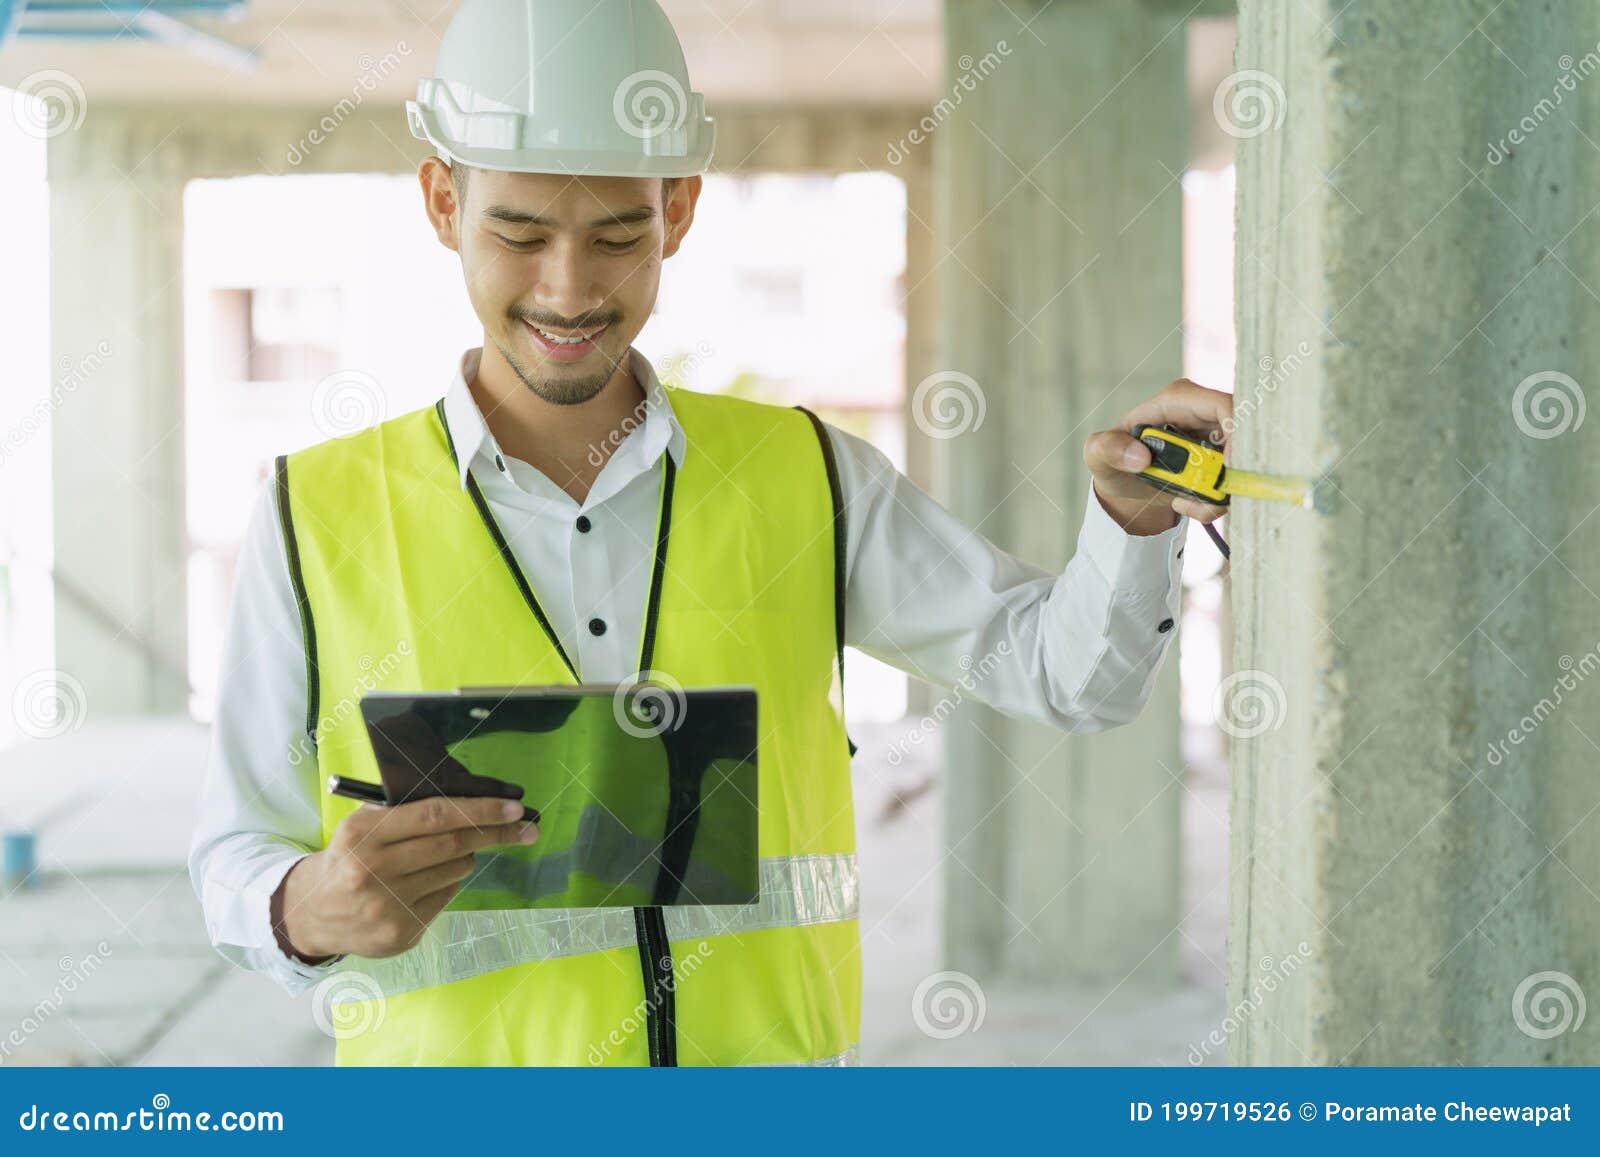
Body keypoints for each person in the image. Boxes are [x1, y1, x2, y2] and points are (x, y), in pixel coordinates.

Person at [187, 0, 1231, 1067]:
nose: (569, 287)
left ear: (678, 209)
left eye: (617, 234)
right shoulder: (313, 512)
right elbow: (235, 846)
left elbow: (1074, 678)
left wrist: (1131, 522)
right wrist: (300, 907)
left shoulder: (804, 476)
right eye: (519, 232)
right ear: (442, 200)